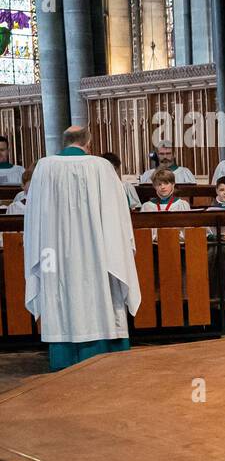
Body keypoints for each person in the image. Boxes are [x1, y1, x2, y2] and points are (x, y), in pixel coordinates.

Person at [23, 126, 141, 371]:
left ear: (63, 142)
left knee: (59, 297)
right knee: (101, 297)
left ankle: (66, 361)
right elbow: (117, 216)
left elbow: (34, 218)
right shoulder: (102, 167)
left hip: (54, 255)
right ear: (88, 143)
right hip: (97, 255)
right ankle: (106, 358)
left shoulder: (43, 168)